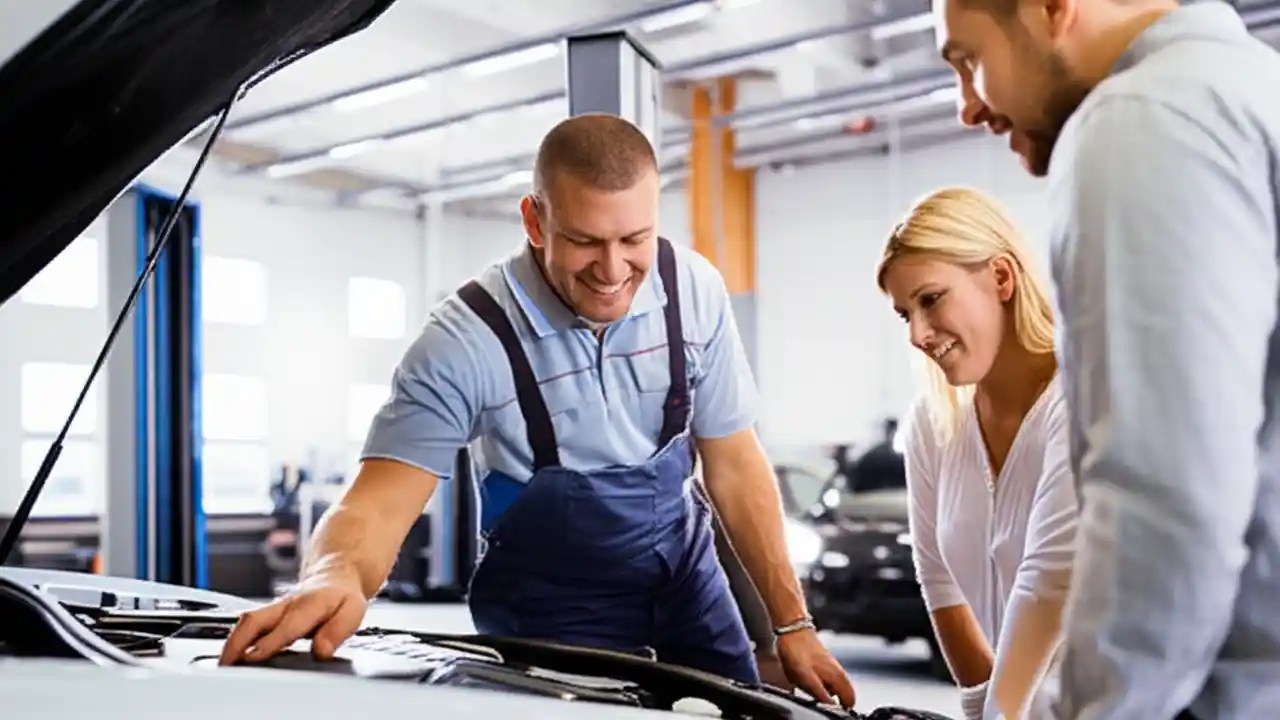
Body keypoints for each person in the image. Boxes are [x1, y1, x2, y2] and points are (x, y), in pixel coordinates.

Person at [217, 113, 855, 710]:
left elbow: (736, 464)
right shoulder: (465, 341)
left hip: (686, 581)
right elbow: (378, 499)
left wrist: (790, 623)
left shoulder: (693, 290)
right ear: (534, 221)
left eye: (634, 238)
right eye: (583, 241)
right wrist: (334, 573)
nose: (612, 270)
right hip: (553, 610)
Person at [931, 0, 1280, 717]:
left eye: (969, 60)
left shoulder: (1144, 122)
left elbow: (1165, 508)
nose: (969, 105)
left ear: (1052, 9)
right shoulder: (1251, 89)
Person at [876, 186, 1079, 720]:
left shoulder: (1082, 398)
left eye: (931, 299)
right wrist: (981, 703)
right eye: (904, 315)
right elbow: (938, 580)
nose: (918, 334)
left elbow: (1051, 578)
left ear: (1002, 278)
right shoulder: (933, 423)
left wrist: (1002, 714)